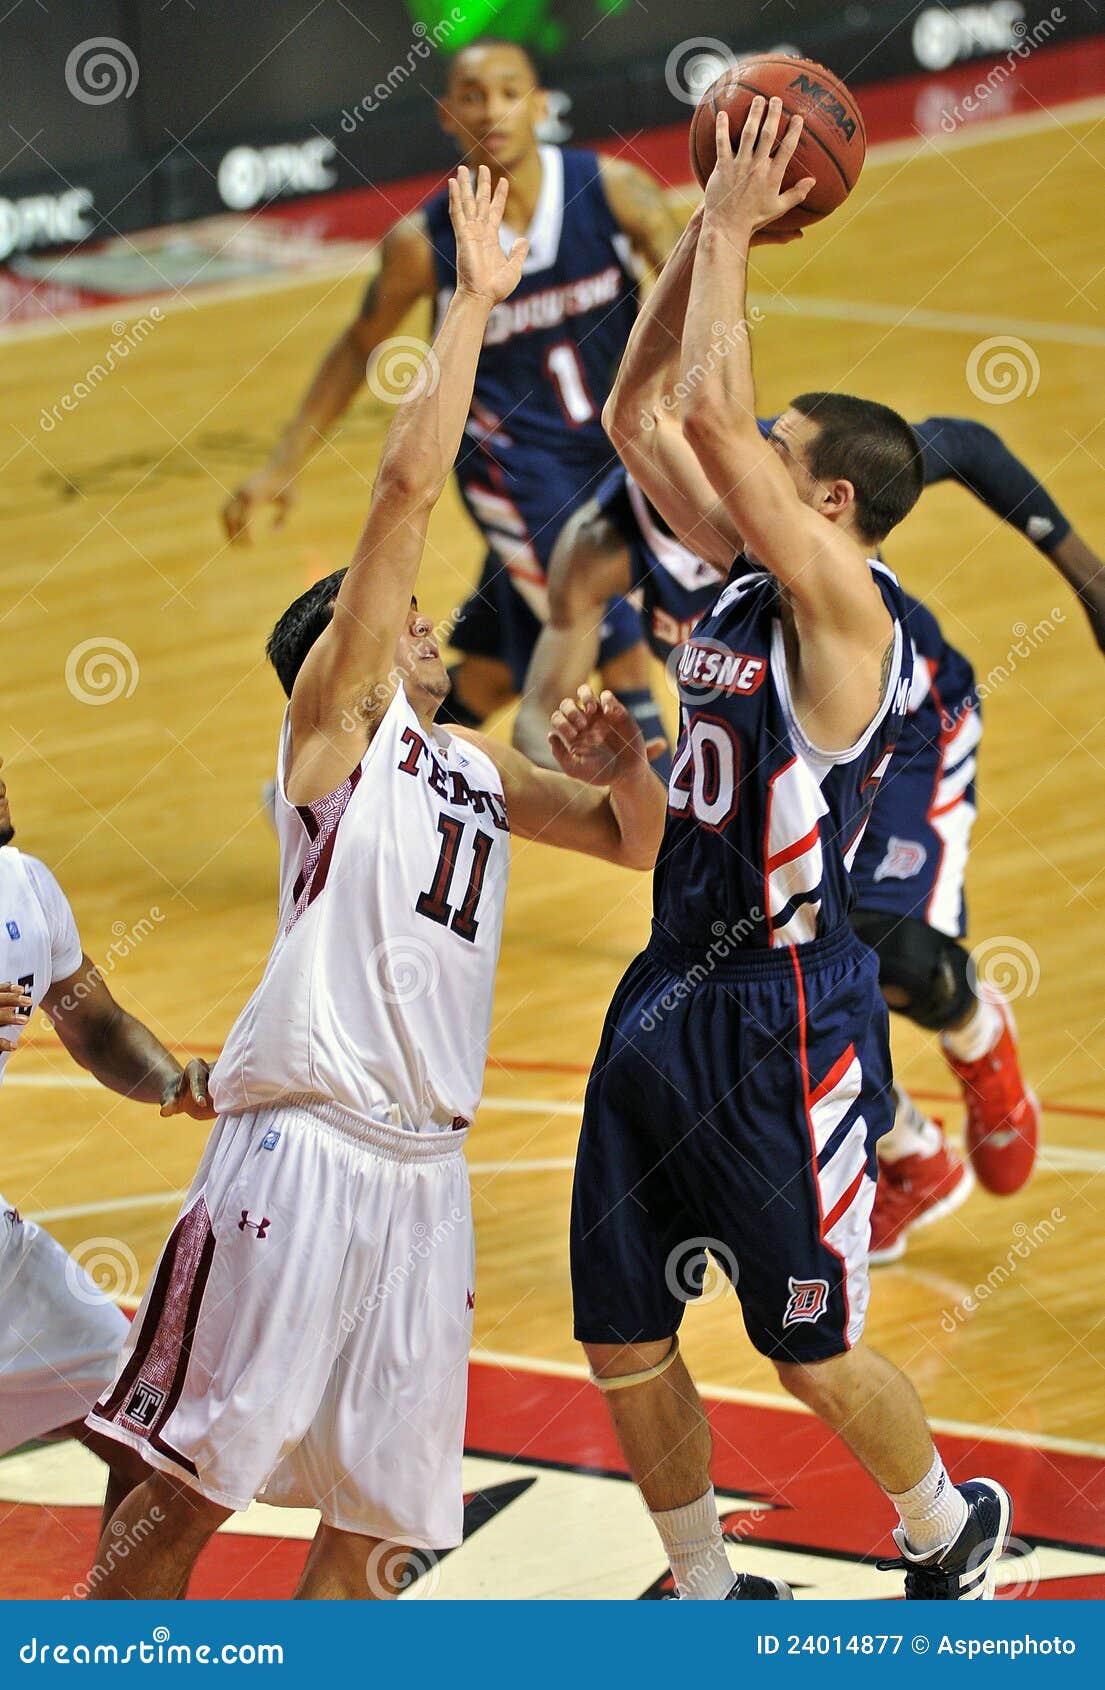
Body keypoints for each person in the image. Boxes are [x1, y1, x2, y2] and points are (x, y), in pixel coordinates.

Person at [85, 166, 665, 1602]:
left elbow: (636, 842)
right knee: (178, 1497)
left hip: (428, 1181)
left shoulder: (465, 764)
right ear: (338, 659)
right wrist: (474, 299)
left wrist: (628, 759)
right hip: (310, 1156)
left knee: (376, 1532)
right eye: (396, 614)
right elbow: (408, 485)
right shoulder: (339, 742)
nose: (423, 617)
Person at [572, 99, 1012, 1602]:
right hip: (661, 988)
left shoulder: (844, 614)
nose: (749, 451)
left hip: (778, 1010)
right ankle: (701, 1577)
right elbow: (650, 418)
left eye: (779, 451)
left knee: (804, 1342)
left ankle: (943, 1522)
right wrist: (698, 229)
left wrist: (740, 232)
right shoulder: (752, 581)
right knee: (619, 1325)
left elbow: (707, 418)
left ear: (828, 503)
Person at [514, 422, 1105, 1265]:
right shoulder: (600, 546)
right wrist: (624, 759)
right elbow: (540, 713)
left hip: (905, 725)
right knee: (781, 976)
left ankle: (975, 1031)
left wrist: (1084, 575)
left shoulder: (782, 477)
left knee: (872, 946)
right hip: (780, 754)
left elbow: (965, 444)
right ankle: (911, 1154)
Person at [222, 36, 681, 773]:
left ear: (539, 105)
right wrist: (280, 466)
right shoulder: (422, 241)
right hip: (513, 468)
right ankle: (677, 821)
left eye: (508, 91)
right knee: (608, 623)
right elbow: (356, 346)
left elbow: (693, 300)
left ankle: (349, 773)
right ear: (446, 114)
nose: (491, 109)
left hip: (618, 453)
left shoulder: (618, 192)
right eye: (472, 95)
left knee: (496, 672)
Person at [0, 757, 213, 1533]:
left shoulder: (23, 887)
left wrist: (168, 1081)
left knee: (147, 1435)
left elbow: (94, 1022)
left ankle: (115, 1652)